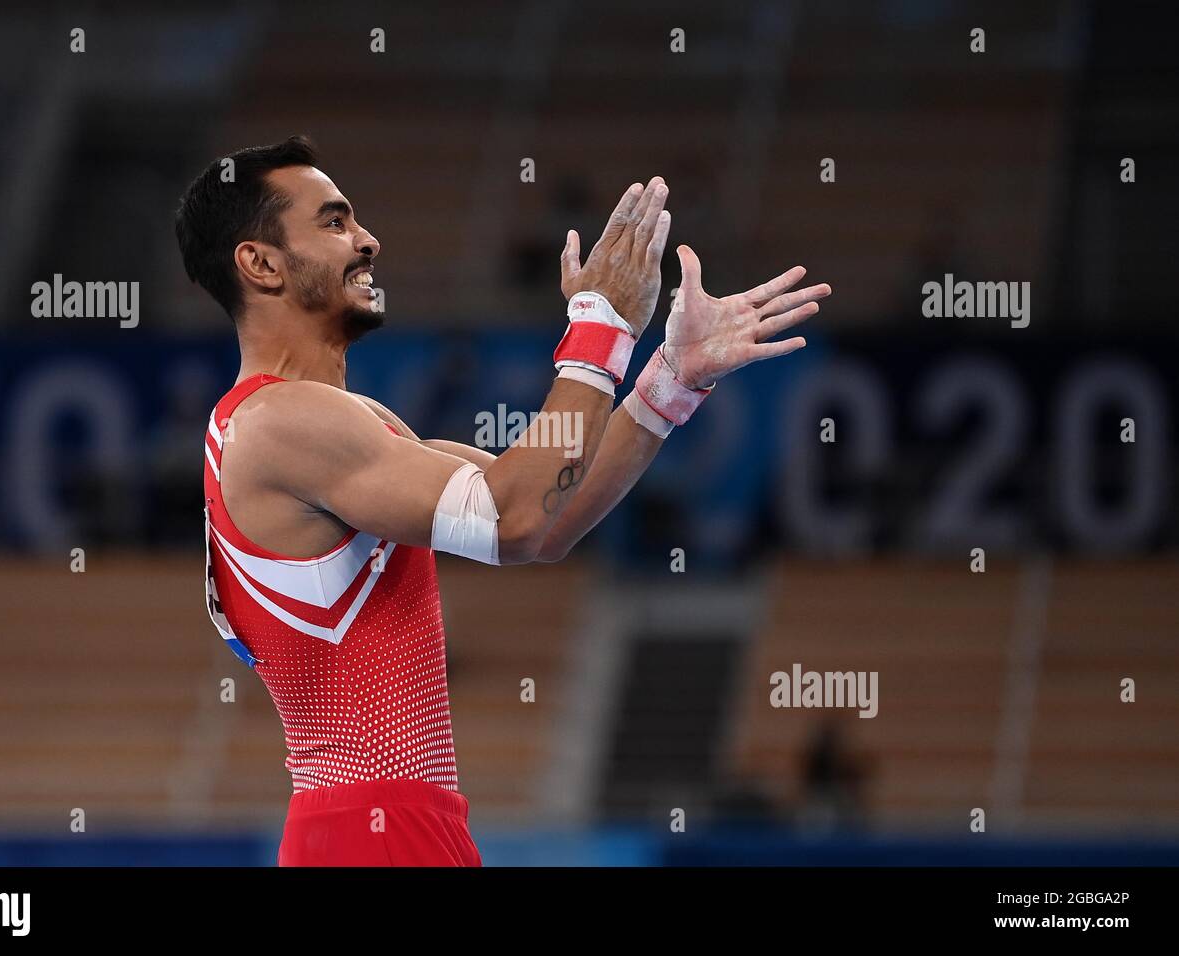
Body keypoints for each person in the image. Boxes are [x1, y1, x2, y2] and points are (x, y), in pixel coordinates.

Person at [173, 135, 830, 866]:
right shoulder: (284, 423)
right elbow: (513, 519)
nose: (368, 240)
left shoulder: (339, 428)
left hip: (381, 825)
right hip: (373, 829)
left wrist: (670, 380)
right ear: (259, 263)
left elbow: (550, 516)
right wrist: (602, 328)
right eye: (333, 223)